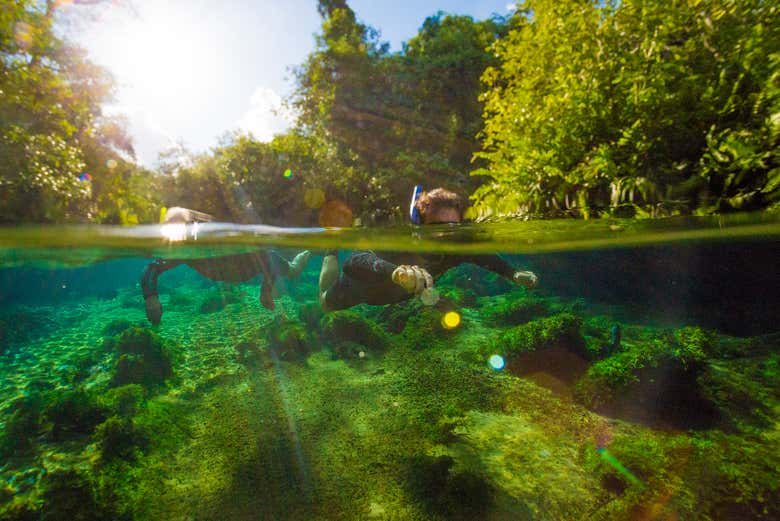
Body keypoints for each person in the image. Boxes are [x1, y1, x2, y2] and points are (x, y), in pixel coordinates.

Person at [318, 188, 538, 311]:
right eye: (435, 227)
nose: (443, 236)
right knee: (324, 302)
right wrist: (395, 272)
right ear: (418, 227)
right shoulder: (399, 242)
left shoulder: (454, 248)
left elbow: (480, 256)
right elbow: (354, 262)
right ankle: (330, 250)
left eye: (451, 227)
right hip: (362, 289)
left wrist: (513, 274)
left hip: (393, 296)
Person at [141, 207, 311, 325]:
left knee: (294, 271)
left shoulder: (235, 238)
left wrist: (265, 291)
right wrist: (151, 299)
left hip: (253, 268)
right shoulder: (188, 248)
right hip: (236, 271)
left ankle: (304, 255)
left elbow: (268, 259)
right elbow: (152, 269)